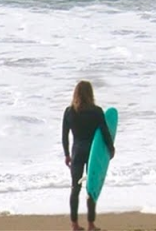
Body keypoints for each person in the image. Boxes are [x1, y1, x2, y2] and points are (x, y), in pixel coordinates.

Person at [62, 81, 115, 231]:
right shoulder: (97, 111)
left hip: (77, 152)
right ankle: (91, 225)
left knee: (75, 188)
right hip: (93, 152)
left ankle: (74, 225)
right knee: (91, 187)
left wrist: (66, 154)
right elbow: (105, 132)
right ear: (90, 93)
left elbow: (64, 136)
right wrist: (110, 149)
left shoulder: (69, 112)